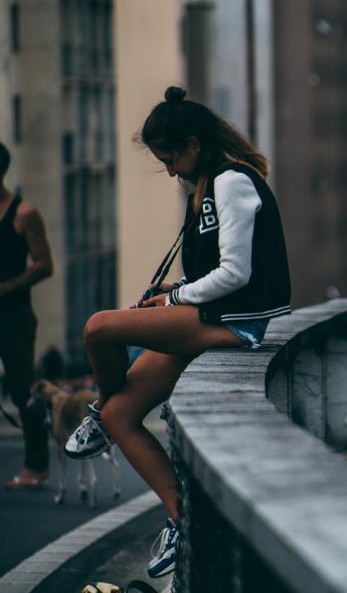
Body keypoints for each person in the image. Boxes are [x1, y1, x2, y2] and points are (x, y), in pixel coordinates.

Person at [63, 87, 291, 579]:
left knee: (98, 328)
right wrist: (177, 288)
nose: (170, 171)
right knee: (125, 414)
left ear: (193, 144)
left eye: (170, 159)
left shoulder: (231, 181)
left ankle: (97, 411)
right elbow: (215, 269)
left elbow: (236, 274)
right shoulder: (207, 184)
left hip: (234, 324)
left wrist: (173, 299)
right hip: (213, 317)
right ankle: (180, 518)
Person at [0, 141, 54, 490]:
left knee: (23, 391)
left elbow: (45, 265)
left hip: (14, 314)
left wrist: (6, 287)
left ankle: (36, 466)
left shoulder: (23, 213)